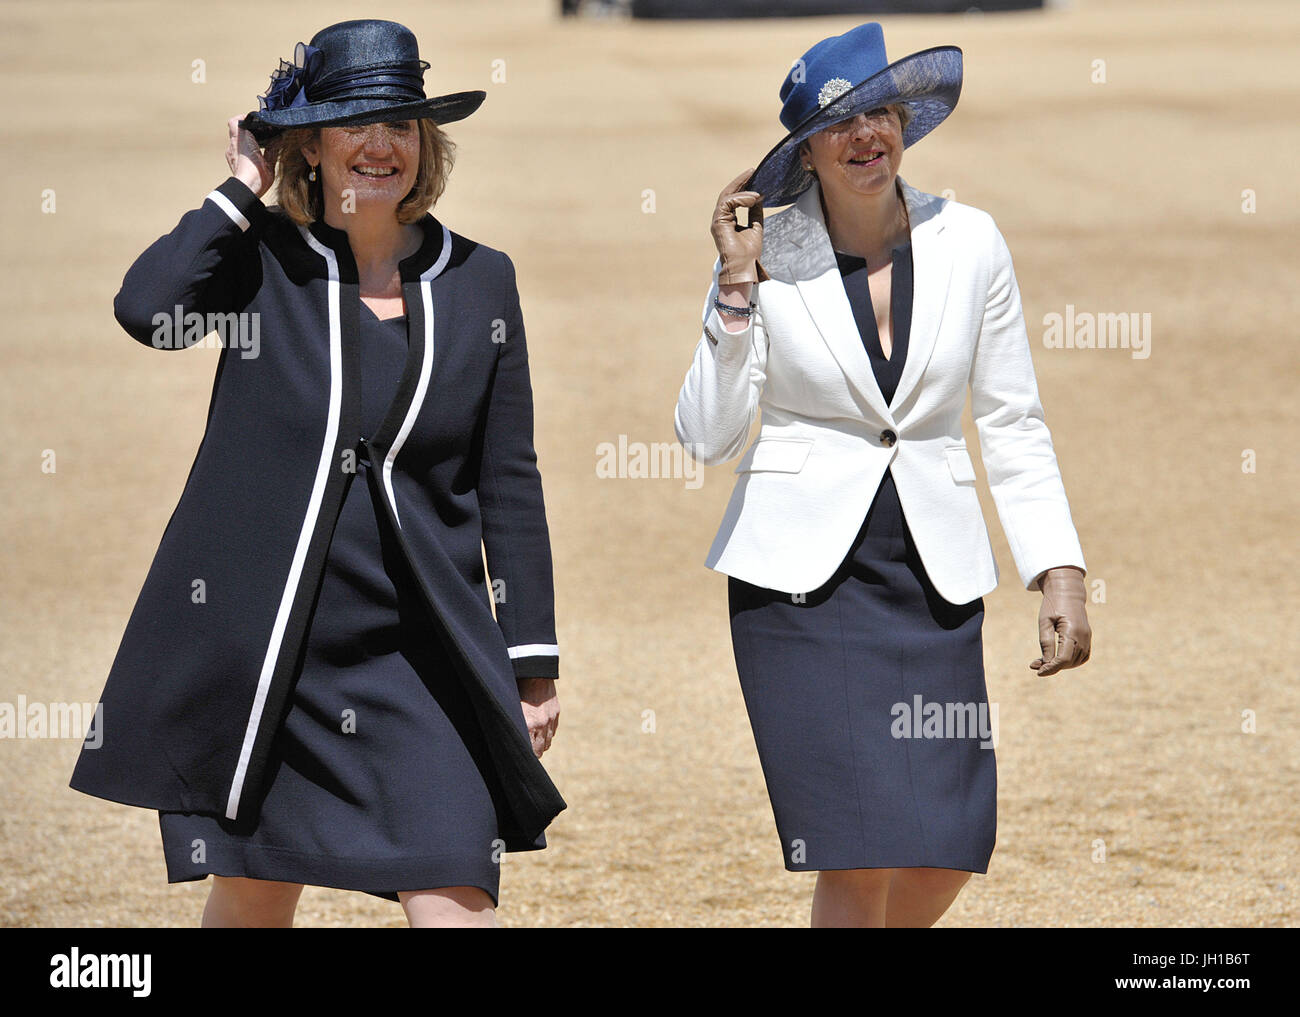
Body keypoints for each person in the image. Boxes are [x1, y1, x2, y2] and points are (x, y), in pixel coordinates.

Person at [68, 19, 565, 928]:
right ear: (310, 145)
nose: (380, 145)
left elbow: (508, 476)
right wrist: (239, 190)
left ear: (427, 143)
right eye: (354, 124)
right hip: (275, 656)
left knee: (455, 884)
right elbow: (147, 310)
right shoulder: (260, 262)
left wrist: (531, 659)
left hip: (426, 660)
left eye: (401, 123)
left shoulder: (482, 281)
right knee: (255, 898)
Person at [674, 22, 1091, 928]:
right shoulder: (767, 258)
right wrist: (735, 288)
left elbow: (1013, 420)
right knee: (857, 853)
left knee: (947, 845)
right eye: (840, 125)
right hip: (798, 592)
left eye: (882, 113)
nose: (866, 136)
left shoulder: (973, 242)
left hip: (931, 580)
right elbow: (706, 437)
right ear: (807, 153)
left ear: (906, 122)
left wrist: (1059, 569)